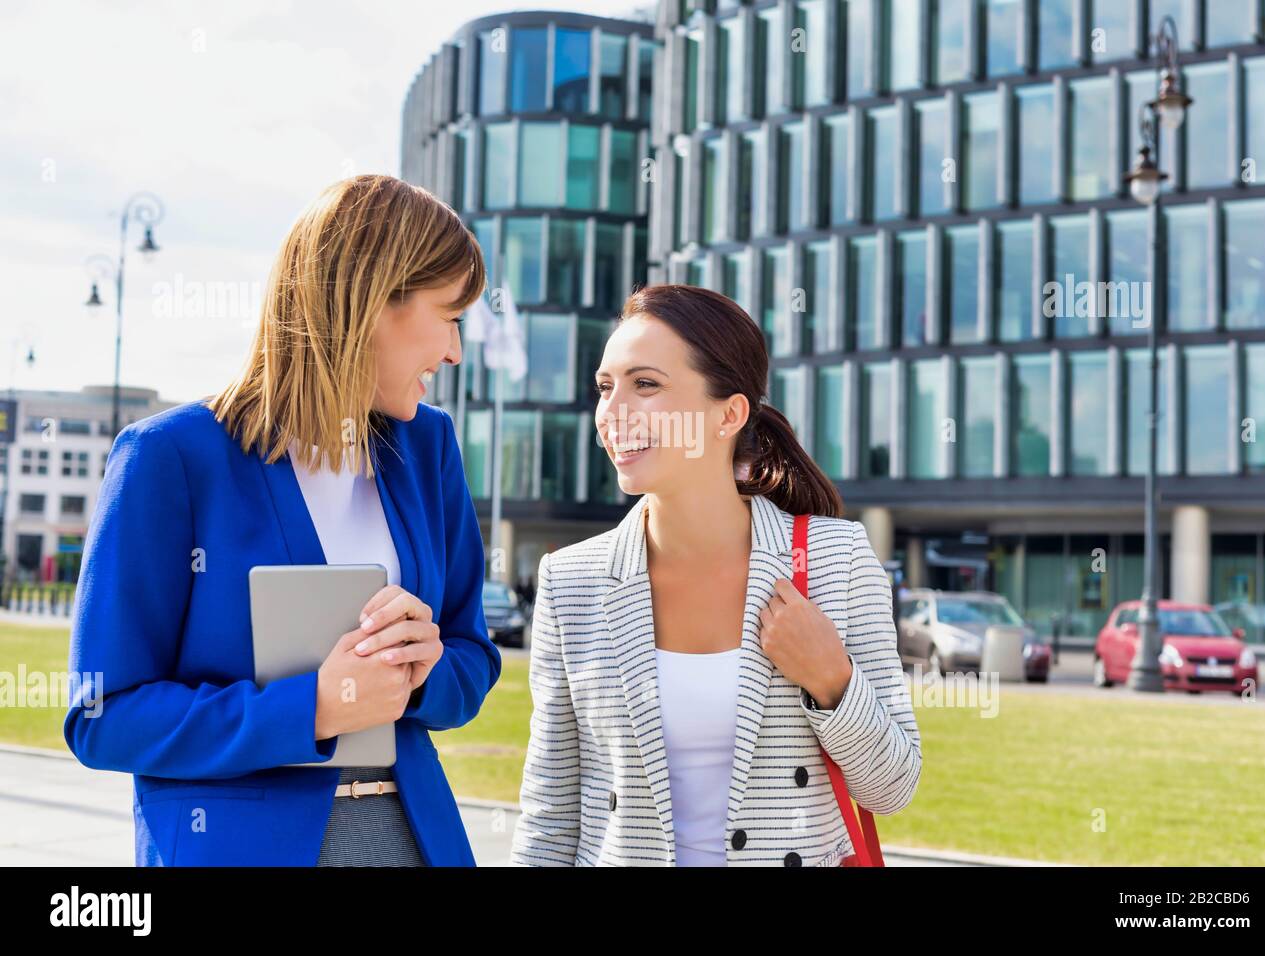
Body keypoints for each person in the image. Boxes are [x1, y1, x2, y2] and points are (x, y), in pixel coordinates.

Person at [64, 174, 501, 866]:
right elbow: (103, 717)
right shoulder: (170, 458)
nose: (454, 350)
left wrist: (426, 668)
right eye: (448, 315)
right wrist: (313, 709)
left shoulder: (428, 447)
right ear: (370, 302)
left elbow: (472, 656)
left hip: (410, 841)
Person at [510, 284, 922, 867]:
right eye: (606, 387)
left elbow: (893, 787)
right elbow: (550, 818)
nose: (612, 411)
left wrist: (832, 679)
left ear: (729, 413)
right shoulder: (569, 581)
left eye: (645, 384)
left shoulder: (837, 559)